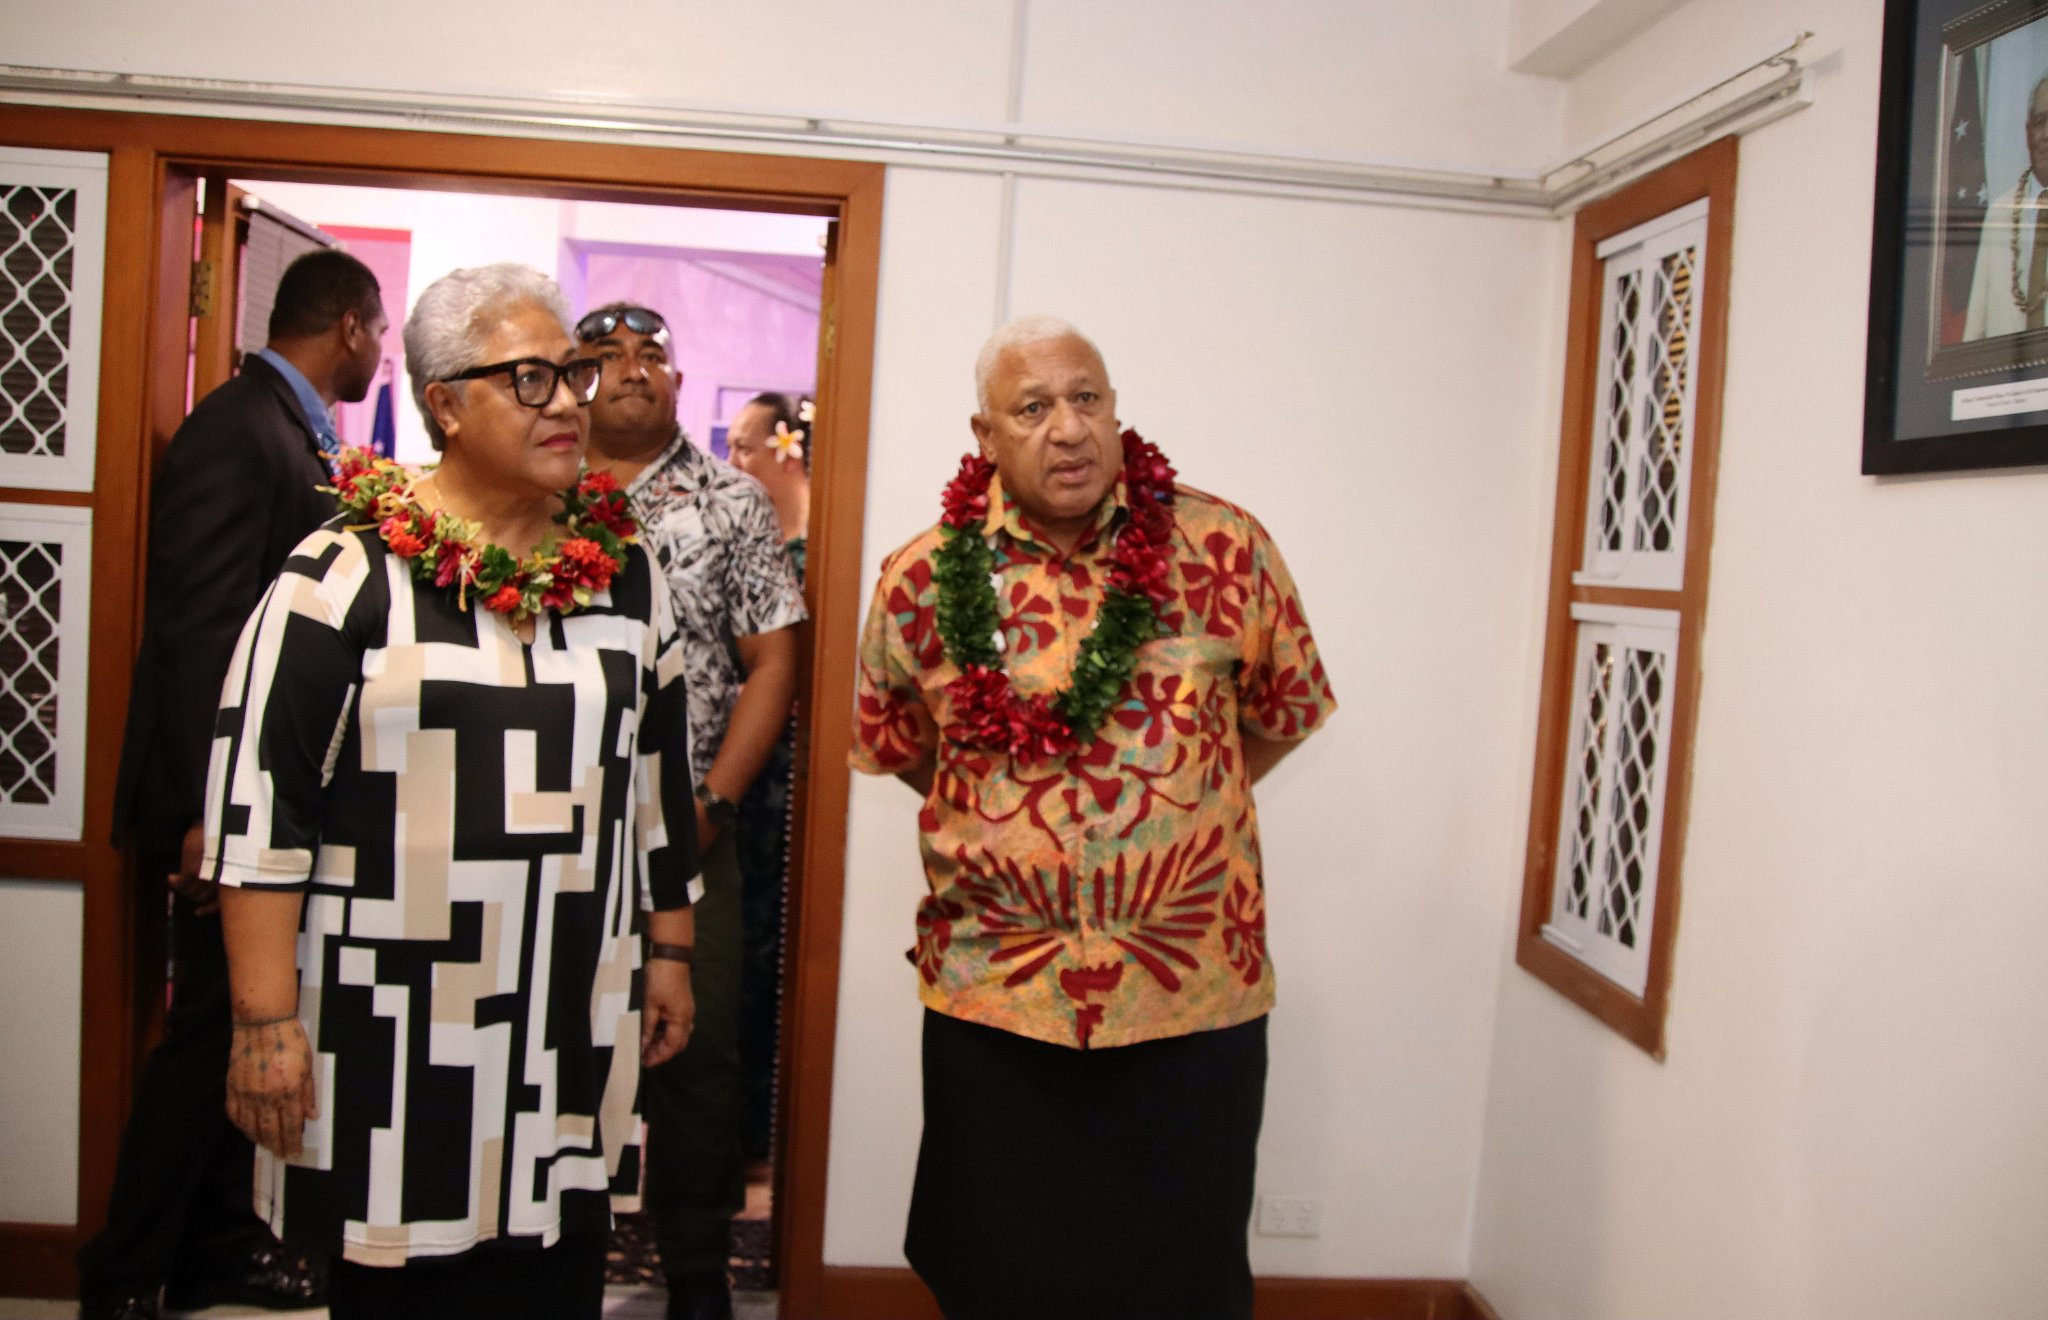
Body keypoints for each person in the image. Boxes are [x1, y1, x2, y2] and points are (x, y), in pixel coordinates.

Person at [206, 264, 700, 1319]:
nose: (567, 401)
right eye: (529, 378)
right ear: (444, 405)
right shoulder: (344, 575)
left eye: (571, 372)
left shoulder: (623, 575)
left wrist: (671, 950)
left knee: (553, 1279)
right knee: (405, 1289)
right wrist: (262, 1021)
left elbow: (655, 779)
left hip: (567, 1014)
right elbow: (261, 804)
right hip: (391, 1030)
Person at [850, 316, 1337, 1320]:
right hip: (998, 995)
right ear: (984, 434)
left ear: (1115, 411)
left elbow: (1281, 715)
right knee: (997, 1272)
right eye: (1033, 408)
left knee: (1181, 1282)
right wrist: (1006, 822)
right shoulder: (919, 577)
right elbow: (902, 748)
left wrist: (1181, 804)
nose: (1067, 428)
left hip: (1188, 990)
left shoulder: (1224, 547)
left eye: (1086, 399)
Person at [79, 247, 386, 1320]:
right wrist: (211, 811)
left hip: (260, 803)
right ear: (349, 326)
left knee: (234, 1034)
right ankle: (122, 1273)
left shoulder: (294, 428)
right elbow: (201, 632)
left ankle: (218, 1250)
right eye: (379, 334)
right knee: (209, 1033)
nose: (380, 354)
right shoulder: (236, 429)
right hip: (219, 808)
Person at [574, 305, 806, 1320]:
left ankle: (698, 1276)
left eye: (652, 355)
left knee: (697, 1057)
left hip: (693, 839)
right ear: (572, 378)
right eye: (606, 356)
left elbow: (773, 663)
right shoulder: (536, 491)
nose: (634, 369)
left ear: (676, 379)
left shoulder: (731, 501)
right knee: (554, 1048)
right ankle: (546, 1257)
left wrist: (710, 804)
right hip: (550, 836)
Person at [722, 392, 812, 1165]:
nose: (734, 462)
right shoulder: (751, 542)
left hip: (794, 780)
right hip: (742, 776)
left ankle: (763, 1124)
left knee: (774, 951)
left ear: (787, 449)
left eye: (746, 446)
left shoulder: (820, 548)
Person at [1965, 72, 2048, 340]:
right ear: (2028, 133)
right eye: (2040, 122)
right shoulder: (1999, 213)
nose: (2046, 135)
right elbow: (1976, 329)